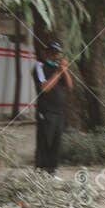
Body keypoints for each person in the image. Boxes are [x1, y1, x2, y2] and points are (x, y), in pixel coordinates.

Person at [32, 41, 72, 173]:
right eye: (52, 52)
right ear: (46, 53)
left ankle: (52, 170)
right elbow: (45, 88)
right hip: (46, 111)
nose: (55, 55)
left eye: (57, 53)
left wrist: (64, 71)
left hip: (59, 112)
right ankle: (40, 171)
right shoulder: (40, 66)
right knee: (45, 141)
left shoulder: (58, 68)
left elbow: (70, 86)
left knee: (56, 142)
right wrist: (58, 73)